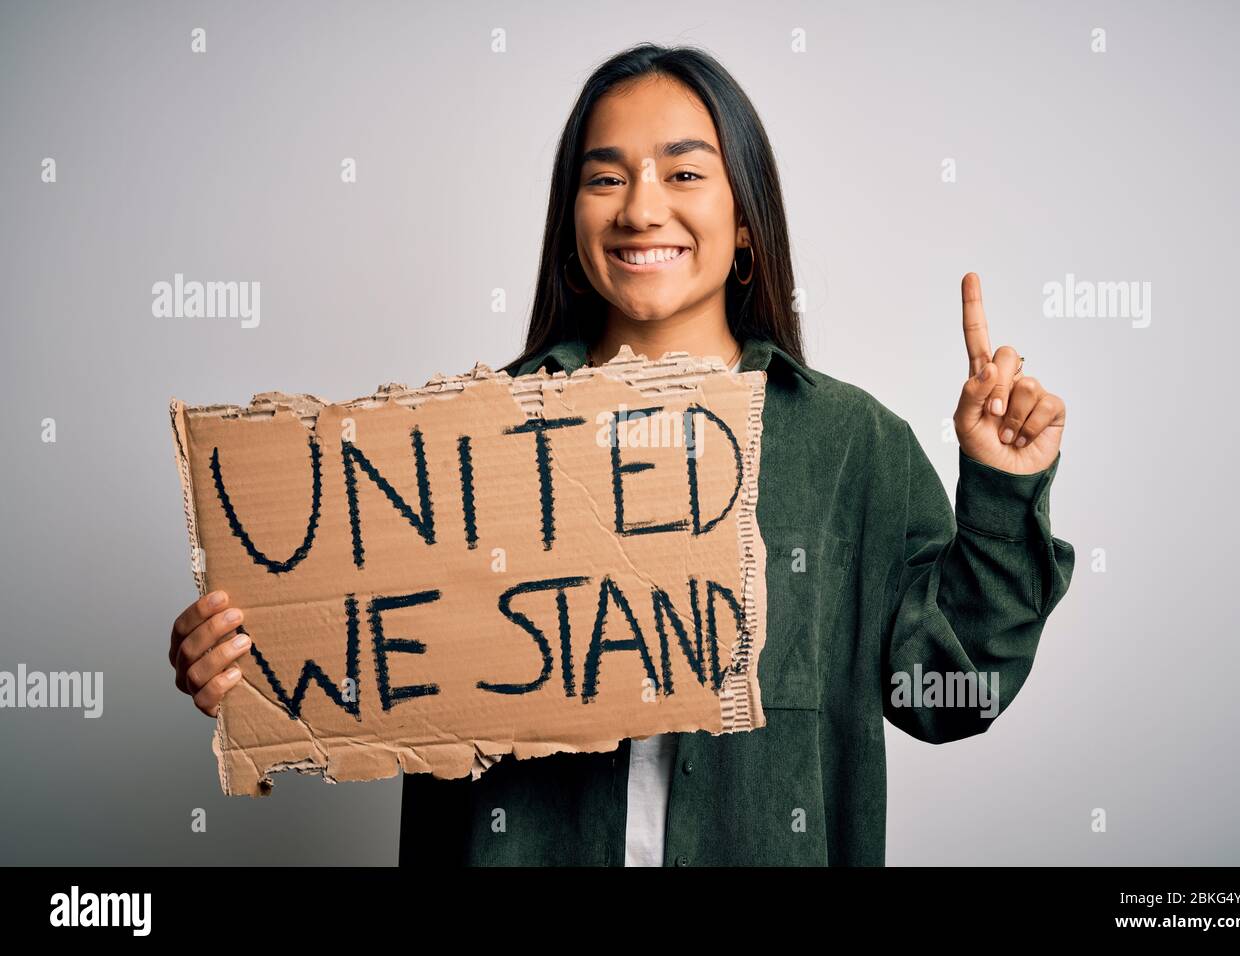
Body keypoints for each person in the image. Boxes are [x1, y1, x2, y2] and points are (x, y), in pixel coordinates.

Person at [167, 43, 1074, 866]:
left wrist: (1003, 493)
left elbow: (952, 695)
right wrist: (254, 659)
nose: (643, 208)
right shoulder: (469, 442)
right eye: (606, 179)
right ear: (571, 220)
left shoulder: (850, 448)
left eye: (684, 171)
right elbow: (351, 650)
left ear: (746, 218)